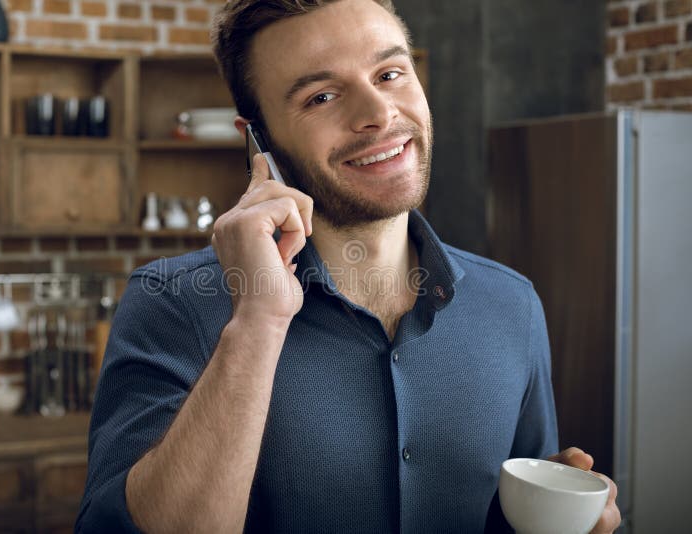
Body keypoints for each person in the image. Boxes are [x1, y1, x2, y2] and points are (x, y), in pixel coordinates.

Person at [76, 1, 621, 532]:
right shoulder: (170, 302)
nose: (378, 114)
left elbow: (513, 510)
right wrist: (258, 322)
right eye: (322, 96)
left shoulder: (513, 304)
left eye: (389, 73)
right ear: (257, 141)